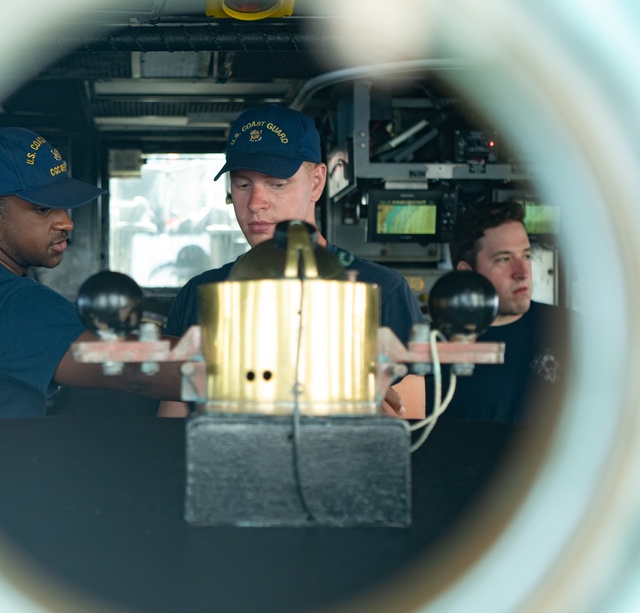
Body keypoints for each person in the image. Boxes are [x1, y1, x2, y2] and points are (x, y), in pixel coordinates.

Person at [159, 105, 426, 418]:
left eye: (276, 184)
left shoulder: (383, 293)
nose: (255, 203)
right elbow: (172, 429)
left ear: (315, 183)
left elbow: (407, 436)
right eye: (243, 184)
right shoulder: (199, 293)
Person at [0, 127, 181, 418]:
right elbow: (137, 371)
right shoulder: (11, 303)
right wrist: (224, 364)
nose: (67, 222)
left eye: (63, 206)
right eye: (43, 210)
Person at [426, 201, 570, 423]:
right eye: (504, 259)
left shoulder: (569, 331)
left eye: (526, 256)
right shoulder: (429, 353)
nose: (522, 273)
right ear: (467, 273)